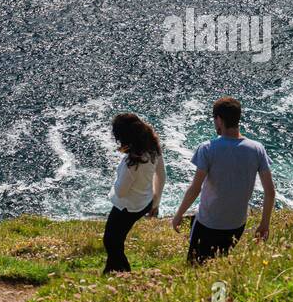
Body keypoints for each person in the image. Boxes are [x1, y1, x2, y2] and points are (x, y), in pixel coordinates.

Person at [171, 96, 275, 263]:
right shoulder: (257, 149)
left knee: (195, 269)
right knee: (216, 266)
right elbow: (270, 192)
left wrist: (178, 214)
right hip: (236, 225)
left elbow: (195, 188)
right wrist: (264, 224)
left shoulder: (207, 148)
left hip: (208, 224)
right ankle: (218, 289)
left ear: (218, 119)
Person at [104, 113, 166, 274]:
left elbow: (121, 192)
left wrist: (118, 176)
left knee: (110, 241)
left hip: (126, 207)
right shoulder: (153, 149)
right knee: (117, 239)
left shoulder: (130, 162)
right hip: (144, 203)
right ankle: (111, 271)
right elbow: (161, 175)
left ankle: (124, 273)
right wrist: (155, 202)